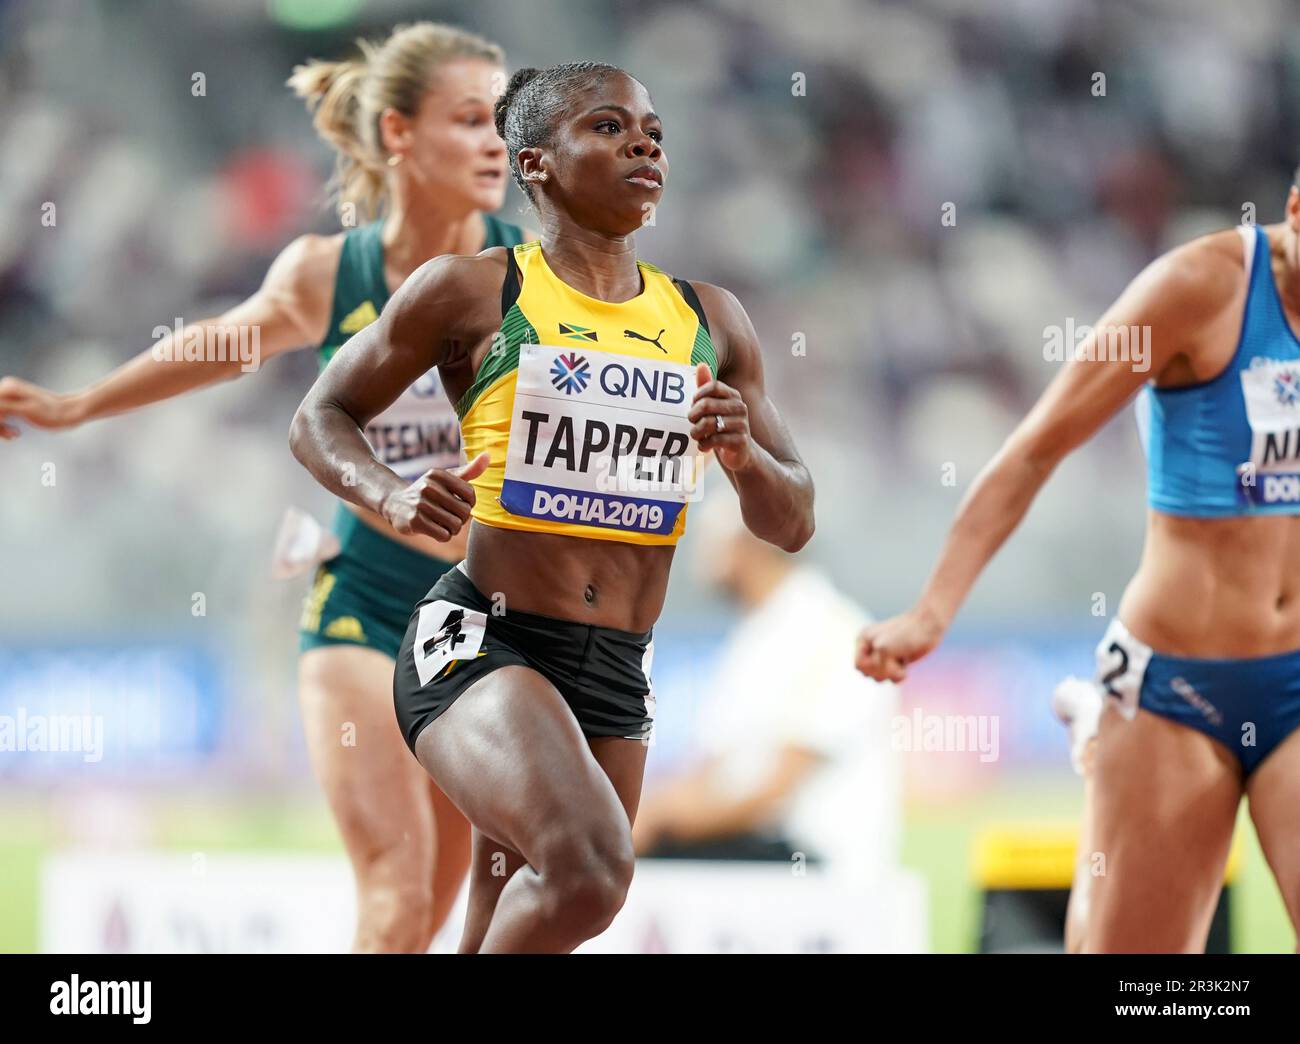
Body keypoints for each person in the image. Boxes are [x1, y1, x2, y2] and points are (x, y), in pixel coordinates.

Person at [0, 22, 530, 953]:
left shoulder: (541, 272)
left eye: (506, 120)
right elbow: (220, 341)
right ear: (400, 134)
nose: (500, 144)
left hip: (487, 617)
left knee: (439, 920)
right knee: (396, 901)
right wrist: (78, 405)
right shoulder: (332, 272)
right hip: (362, 603)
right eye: (471, 119)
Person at [288, 60, 815, 954]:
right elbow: (320, 416)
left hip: (615, 670)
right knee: (591, 872)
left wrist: (742, 453)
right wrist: (390, 492)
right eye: (608, 127)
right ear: (532, 163)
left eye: (652, 130)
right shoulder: (473, 290)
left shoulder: (711, 320)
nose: (643, 142)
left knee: (518, 917)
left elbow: (792, 520)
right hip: (482, 640)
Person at [856, 195, 1300, 953]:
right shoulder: (1198, 287)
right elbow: (1036, 446)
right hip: (1179, 691)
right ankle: (1108, 737)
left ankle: (1102, 741)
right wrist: (932, 611)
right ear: (1294, 209)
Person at [633, 488, 900, 881]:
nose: (701, 554)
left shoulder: (829, 630)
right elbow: (712, 771)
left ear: (750, 546)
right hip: (763, 843)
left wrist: (660, 823)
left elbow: (777, 788)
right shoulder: (760, 633)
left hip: (813, 859)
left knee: (635, 862)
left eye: (713, 540)